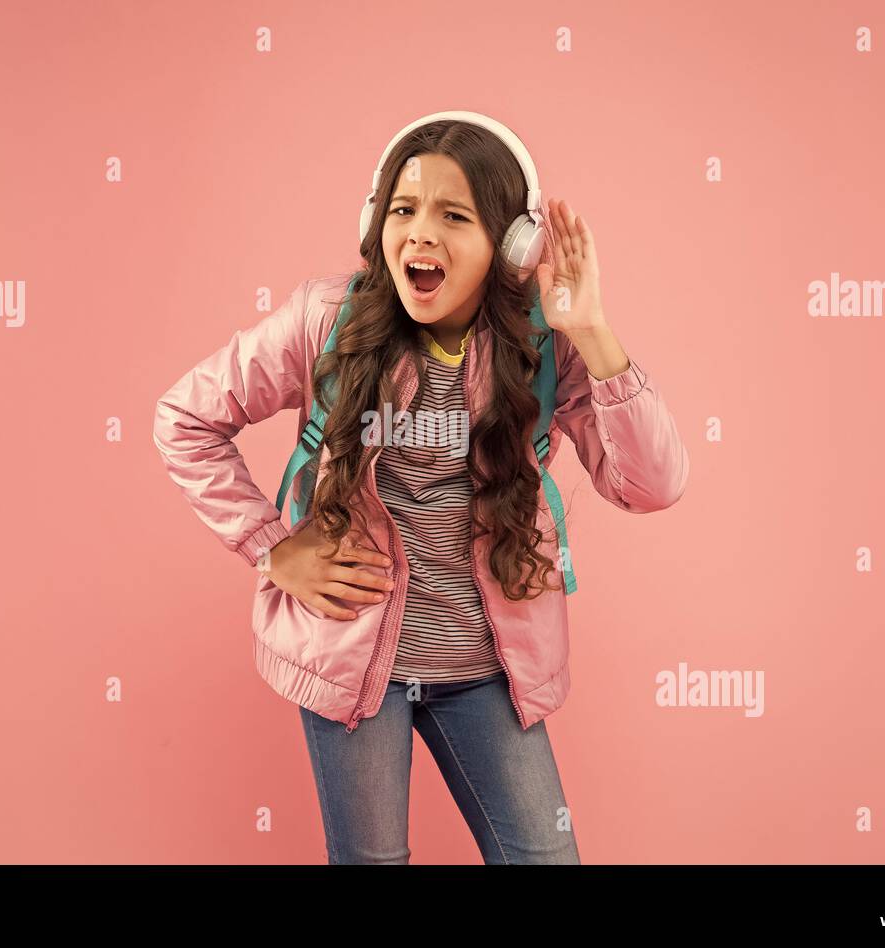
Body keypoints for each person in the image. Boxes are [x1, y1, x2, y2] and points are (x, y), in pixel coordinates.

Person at [153, 111, 690, 864]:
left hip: (487, 671)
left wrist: (593, 332)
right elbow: (185, 417)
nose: (420, 234)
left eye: (454, 215)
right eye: (403, 210)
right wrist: (271, 549)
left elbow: (652, 484)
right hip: (350, 661)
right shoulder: (326, 320)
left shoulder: (546, 347)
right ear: (376, 224)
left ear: (512, 245)